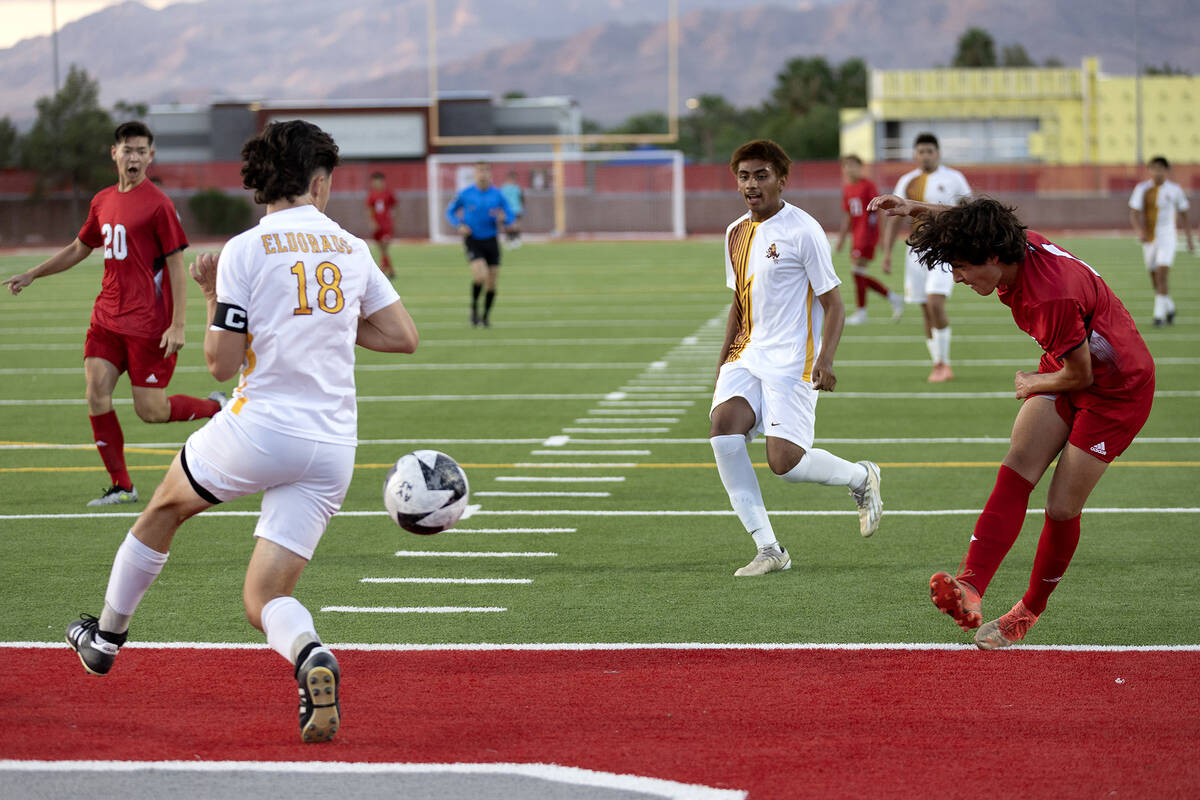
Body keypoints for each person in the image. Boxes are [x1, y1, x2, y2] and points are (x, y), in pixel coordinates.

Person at [63, 120, 419, 742]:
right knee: (264, 598)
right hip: (333, 447)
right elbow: (403, 337)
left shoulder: (246, 249)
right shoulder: (353, 248)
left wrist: (208, 296)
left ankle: (107, 638)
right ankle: (310, 654)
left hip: (260, 430)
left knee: (161, 513)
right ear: (317, 181)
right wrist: (323, 323)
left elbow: (221, 365)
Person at [869, 193, 1155, 649]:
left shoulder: (1050, 296)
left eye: (962, 267)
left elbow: (1080, 375)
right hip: (1069, 364)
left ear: (993, 258)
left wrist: (1029, 384)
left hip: (1116, 390)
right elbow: (981, 221)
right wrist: (919, 207)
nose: (958, 277)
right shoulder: (1014, 246)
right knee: (1019, 463)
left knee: (1061, 507)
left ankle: (1026, 612)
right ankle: (970, 586)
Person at [3, 121, 222, 506]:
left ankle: (216, 407)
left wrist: (177, 324)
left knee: (151, 411)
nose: (133, 157)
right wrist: (33, 273)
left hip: (148, 325)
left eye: (141, 151)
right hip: (106, 318)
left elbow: (175, 264)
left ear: (151, 156)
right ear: (114, 153)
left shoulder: (159, 205)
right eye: (127, 149)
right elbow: (78, 247)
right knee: (95, 393)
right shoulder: (102, 201)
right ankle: (122, 485)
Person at [709, 139, 883, 577]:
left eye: (761, 175)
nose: (752, 184)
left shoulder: (803, 230)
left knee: (785, 464)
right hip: (746, 354)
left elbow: (835, 303)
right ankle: (770, 549)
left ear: (782, 181)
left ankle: (861, 477)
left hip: (793, 360)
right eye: (744, 176)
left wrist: (826, 358)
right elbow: (738, 303)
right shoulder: (734, 233)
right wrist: (722, 360)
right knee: (723, 431)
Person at [879, 133, 971, 382]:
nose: (926, 155)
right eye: (921, 151)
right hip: (916, 252)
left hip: (944, 250)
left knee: (935, 302)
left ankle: (944, 363)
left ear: (938, 153)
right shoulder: (908, 181)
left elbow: (970, 210)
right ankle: (937, 363)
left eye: (930, 151)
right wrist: (887, 252)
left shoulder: (954, 178)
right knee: (925, 308)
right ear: (914, 154)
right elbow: (893, 216)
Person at [835, 154, 903, 325]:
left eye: (853, 165)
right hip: (857, 235)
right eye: (846, 166)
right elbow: (848, 216)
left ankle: (862, 312)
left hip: (867, 235)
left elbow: (879, 209)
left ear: (860, 167)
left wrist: (880, 235)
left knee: (857, 272)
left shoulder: (868, 185)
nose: (850, 169)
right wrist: (842, 238)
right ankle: (892, 298)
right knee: (858, 273)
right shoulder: (847, 189)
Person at [445, 162, 514, 327]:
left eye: (486, 171)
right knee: (480, 276)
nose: (483, 174)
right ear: (475, 174)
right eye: (479, 171)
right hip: (473, 240)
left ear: (490, 174)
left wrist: (505, 219)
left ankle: (485, 316)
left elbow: (510, 214)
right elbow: (450, 211)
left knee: (492, 282)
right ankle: (474, 309)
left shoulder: (498, 195)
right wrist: (459, 224)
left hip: (491, 240)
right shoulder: (466, 194)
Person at [1129, 155, 1193, 326]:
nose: (1157, 172)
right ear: (1149, 170)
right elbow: (1134, 213)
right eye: (1154, 168)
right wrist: (1139, 231)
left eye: (1161, 168)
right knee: (1154, 277)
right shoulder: (1142, 189)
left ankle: (1158, 316)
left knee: (1162, 274)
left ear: (1167, 170)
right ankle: (1169, 307)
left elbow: (1184, 214)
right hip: (1149, 239)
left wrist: (1189, 239)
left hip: (1168, 237)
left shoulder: (1175, 190)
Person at [365, 171, 396, 279]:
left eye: (378, 182)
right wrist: (373, 222)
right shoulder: (372, 195)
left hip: (386, 225)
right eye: (374, 182)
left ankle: (382, 269)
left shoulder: (388, 194)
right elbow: (370, 210)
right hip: (377, 225)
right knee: (382, 249)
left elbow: (395, 207)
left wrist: (394, 221)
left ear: (383, 182)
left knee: (384, 246)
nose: (376, 184)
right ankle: (390, 270)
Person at [499, 170, 525, 248]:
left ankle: (516, 240)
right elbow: (501, 200)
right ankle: (511, 240)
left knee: (515, 225)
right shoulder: (504, 188)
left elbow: (521, 198)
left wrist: (522, 206)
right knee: (509, 226)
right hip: (508, 210)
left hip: (516, 209)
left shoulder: (517, 188)